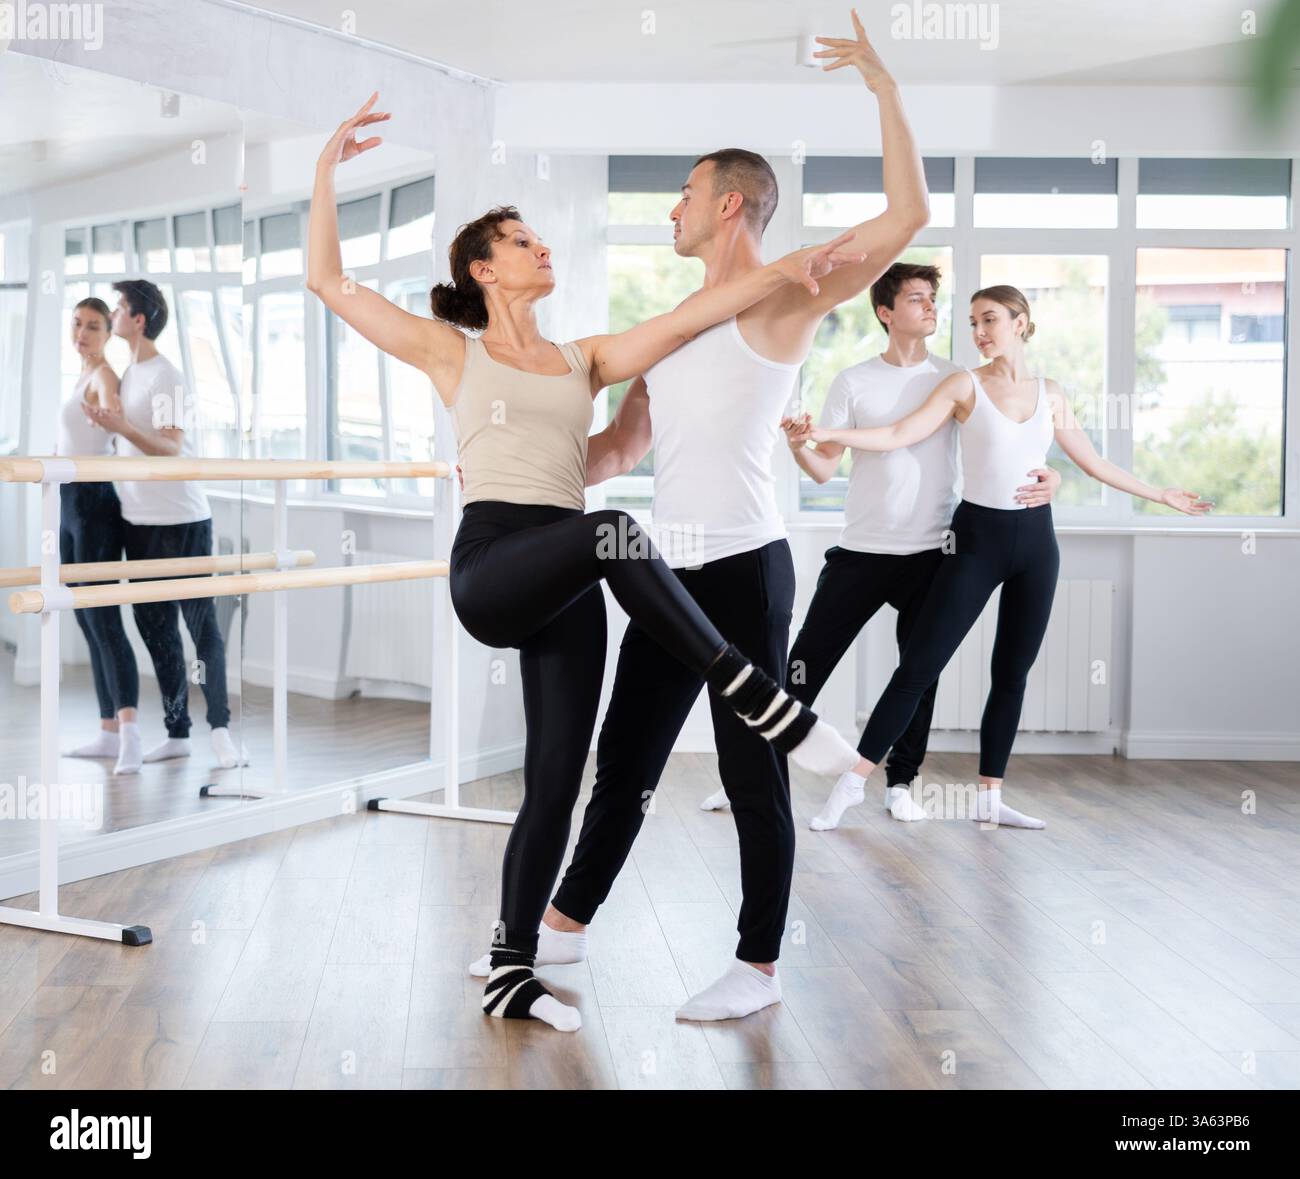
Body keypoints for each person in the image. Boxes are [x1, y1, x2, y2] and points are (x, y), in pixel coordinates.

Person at [307, 93, 868, 1031]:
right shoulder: (452, 350)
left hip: (571, 580)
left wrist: (789, 274)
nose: (543, 250)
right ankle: (755, 693)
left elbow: (697, 317)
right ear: (483, 269)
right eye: (523, 242)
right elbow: (329, 280)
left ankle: (511, 969)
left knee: (558, 778)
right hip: (497, 565)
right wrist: (327, 169)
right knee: (613, 529)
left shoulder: (586, 357)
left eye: (543, 241)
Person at [483, 9, 931, 1024]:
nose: (668, 211)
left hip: (740, 566)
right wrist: (508, 471)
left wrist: (883, 89)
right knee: (625, 768)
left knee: (749, 766)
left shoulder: (785, 297)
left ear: (729, 204)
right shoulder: (675, 325)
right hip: (665, 570)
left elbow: (905, 217)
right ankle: (561, 934)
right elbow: (619, 452)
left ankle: (758, 966)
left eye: (681, 194)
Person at [805, 283, 1212, 832]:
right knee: (919, 668)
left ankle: (990, 797)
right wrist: (824, 432)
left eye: (990, 319)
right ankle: (853, 784)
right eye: (973, 321)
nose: (978, 331)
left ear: (1020, 322)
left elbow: (1092, 462)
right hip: (975, 542)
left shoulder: (1051, 392)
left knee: (1012, 674)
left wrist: (1160, 494)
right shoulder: (961, 385)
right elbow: (900, 432)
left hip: (1037, 545)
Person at [696, 262, 1059, 822]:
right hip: (862, 551)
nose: (931, 308)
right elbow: (823, 469)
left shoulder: (959, 378)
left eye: (934, 299)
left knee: (919, 673)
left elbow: (1013, 444)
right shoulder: (854, 380)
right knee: (803, 667)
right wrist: (800, 443)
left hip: (933, 551)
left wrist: (1051, 477)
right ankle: (746, 776)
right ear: (886, 313)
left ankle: (901, 785)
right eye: (918, 299)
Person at [84, 280, 245, 770]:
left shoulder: (166, 375)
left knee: (202, 630)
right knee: (156, 632)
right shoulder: (128, 373)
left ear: (138, 319)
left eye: (118, 308)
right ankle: (178, 732)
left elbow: (172, 447)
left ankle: (221, 733)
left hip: (183, 521)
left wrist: (123, 430)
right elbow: (129, 441)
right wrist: (112, 434)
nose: (111, 315)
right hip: (140, 523)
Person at [57, 297, 143, 777]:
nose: (83, 333)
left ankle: (130, 736)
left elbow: (113, 417)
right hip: (69, 504)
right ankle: (108, 731)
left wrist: (110, 417)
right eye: (77, 324)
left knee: (106, 621)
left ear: (108, 333)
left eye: (93, 326)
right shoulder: (79, 374)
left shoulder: (104, 375)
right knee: (86, 622)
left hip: (94, 506)